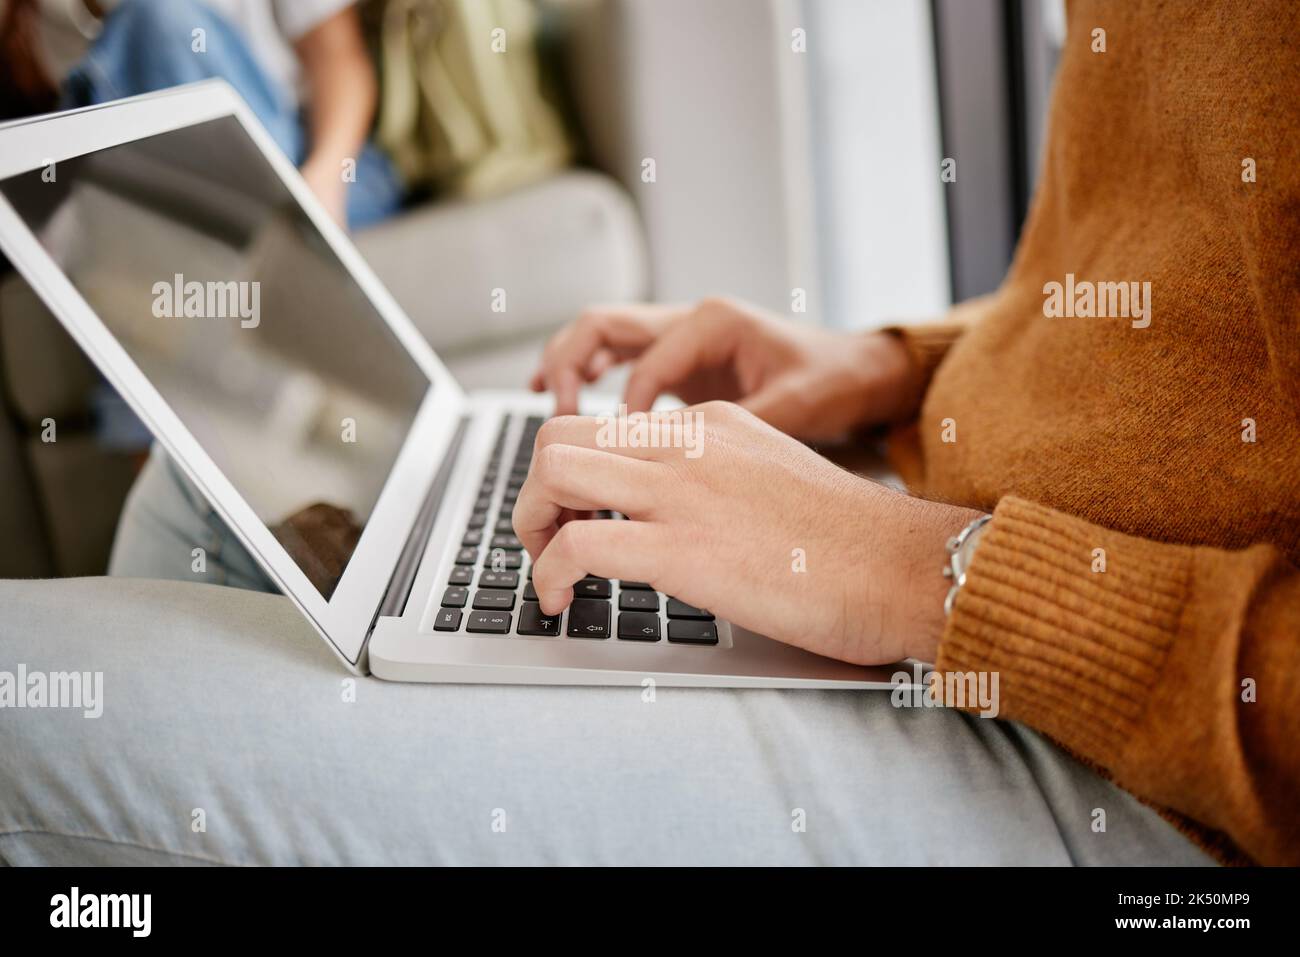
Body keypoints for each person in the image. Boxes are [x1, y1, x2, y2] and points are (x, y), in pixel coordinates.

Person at [5, 0, 1293, 866]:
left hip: (1132, 766)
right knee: (200, 486)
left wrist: (922, 576)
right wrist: (891, 365)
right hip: (965, 523)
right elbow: (1175, 289)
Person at [1, 0, 403, 229]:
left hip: (304, 158)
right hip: (162, 189)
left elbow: (341, 64)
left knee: (155, 18)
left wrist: (326, 179)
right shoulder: (40, 16)